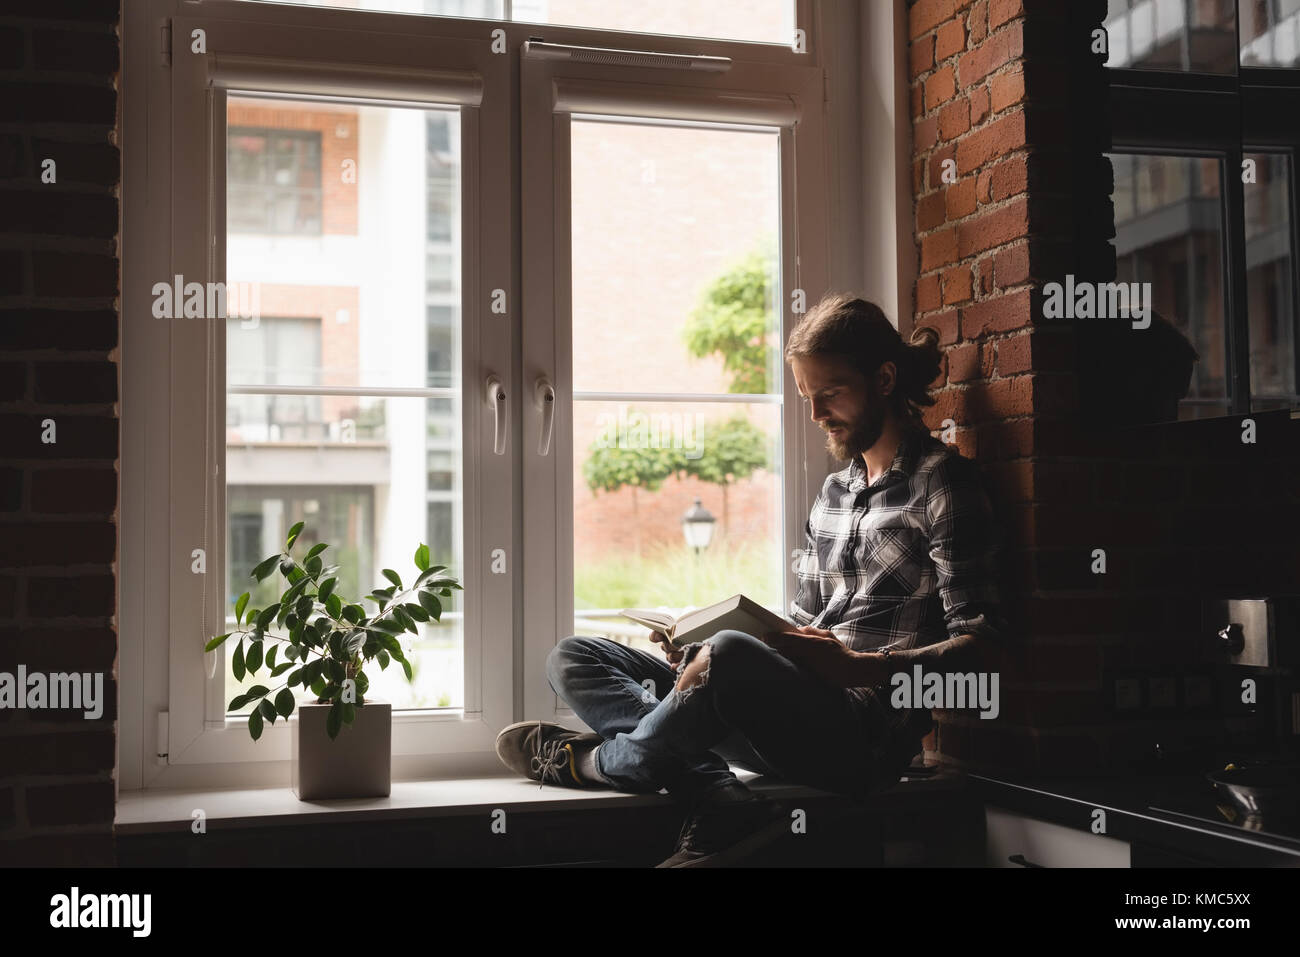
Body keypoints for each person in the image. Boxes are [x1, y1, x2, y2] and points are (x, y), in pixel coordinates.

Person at [495, 293, 1009, 867]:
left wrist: (863, 668)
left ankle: (597, 764)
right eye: (806, 397)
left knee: (730, 655)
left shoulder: (944, 485)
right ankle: (714, 787)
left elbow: (986, 651)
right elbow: (806, 626)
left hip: (861, 739)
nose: (815, 414)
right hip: (789, 711)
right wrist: (702, 644)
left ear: (884, 379)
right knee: (574, 656)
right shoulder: (833, 495)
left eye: (830, 394)